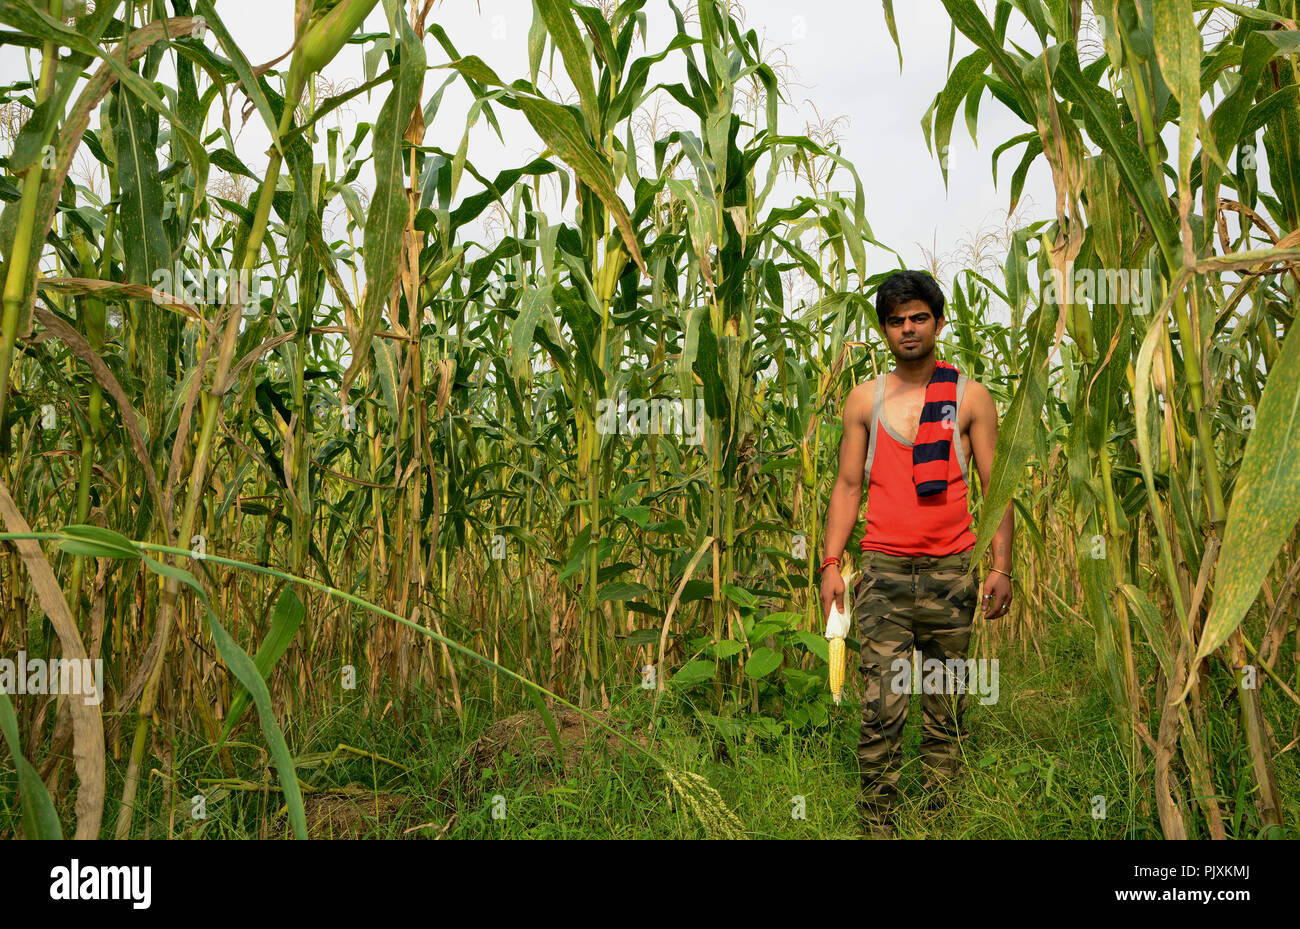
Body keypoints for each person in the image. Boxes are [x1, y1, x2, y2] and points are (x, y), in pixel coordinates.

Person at [818, 270, 1014, 839]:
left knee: (945, 711)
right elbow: (848, 486)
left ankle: (938, 822)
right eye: (896, 320)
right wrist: (829, 564)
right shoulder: (865, 400)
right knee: (880, 711)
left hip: (953, 574)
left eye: (919, 318)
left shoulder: (969, 398)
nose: (908, 328)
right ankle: (877, 826)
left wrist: (1001, 567)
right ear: (884, 330)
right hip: (882, 576)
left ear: (939, 322)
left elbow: (995, 487)